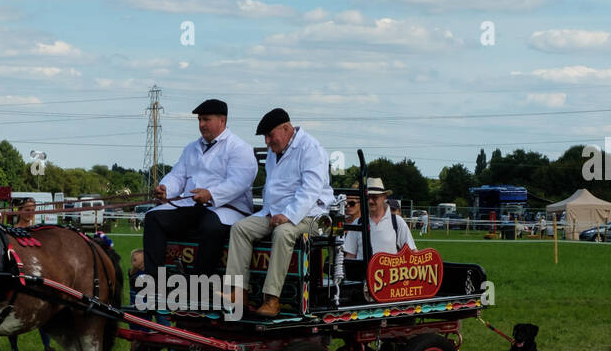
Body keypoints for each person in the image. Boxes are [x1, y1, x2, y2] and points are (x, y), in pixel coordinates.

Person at [143, 99, 257, 303]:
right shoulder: (191, 148)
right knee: (153, 218)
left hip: (227, 208)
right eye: (199, 120)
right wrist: (165, 188)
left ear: (222, 121)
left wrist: (211, 193)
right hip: (193, 205)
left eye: (206, 119)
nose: (202, 124)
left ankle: (198, 287)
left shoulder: (239, 148)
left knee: (210, 226)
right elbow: (178, 175)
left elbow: (239, 182)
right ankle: (155, 283)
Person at [224, 108, 334, 318]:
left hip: (313, 215)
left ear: (286, 128)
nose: (266, 141)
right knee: (240, 228)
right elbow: (273, 188)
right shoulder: (277, 151)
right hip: (276, 213)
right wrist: (271, 213)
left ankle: (272, 299)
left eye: (269, 135)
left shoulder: (311, 148)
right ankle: (238, 293)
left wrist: (288, 215)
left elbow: (310, 189)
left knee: (283, 232)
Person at [12, 198, 56, 351]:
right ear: (19, 210)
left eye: (33, 210)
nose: (30, 213)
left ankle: (47, 345)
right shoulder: (12, 230)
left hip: (37, 271)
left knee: (42, 307)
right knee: (16, 306)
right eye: (27, 209)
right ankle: (14, 346)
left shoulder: (37, 231)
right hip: (19, 272)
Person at [343, 178, 416, 261]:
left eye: (374, 197)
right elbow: (350, 256)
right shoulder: (358, 223)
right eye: (368, 197)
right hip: (363, 273)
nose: (370, 201)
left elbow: (412, 253)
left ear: (384, 197)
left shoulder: (397, 222)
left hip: (390, 273)